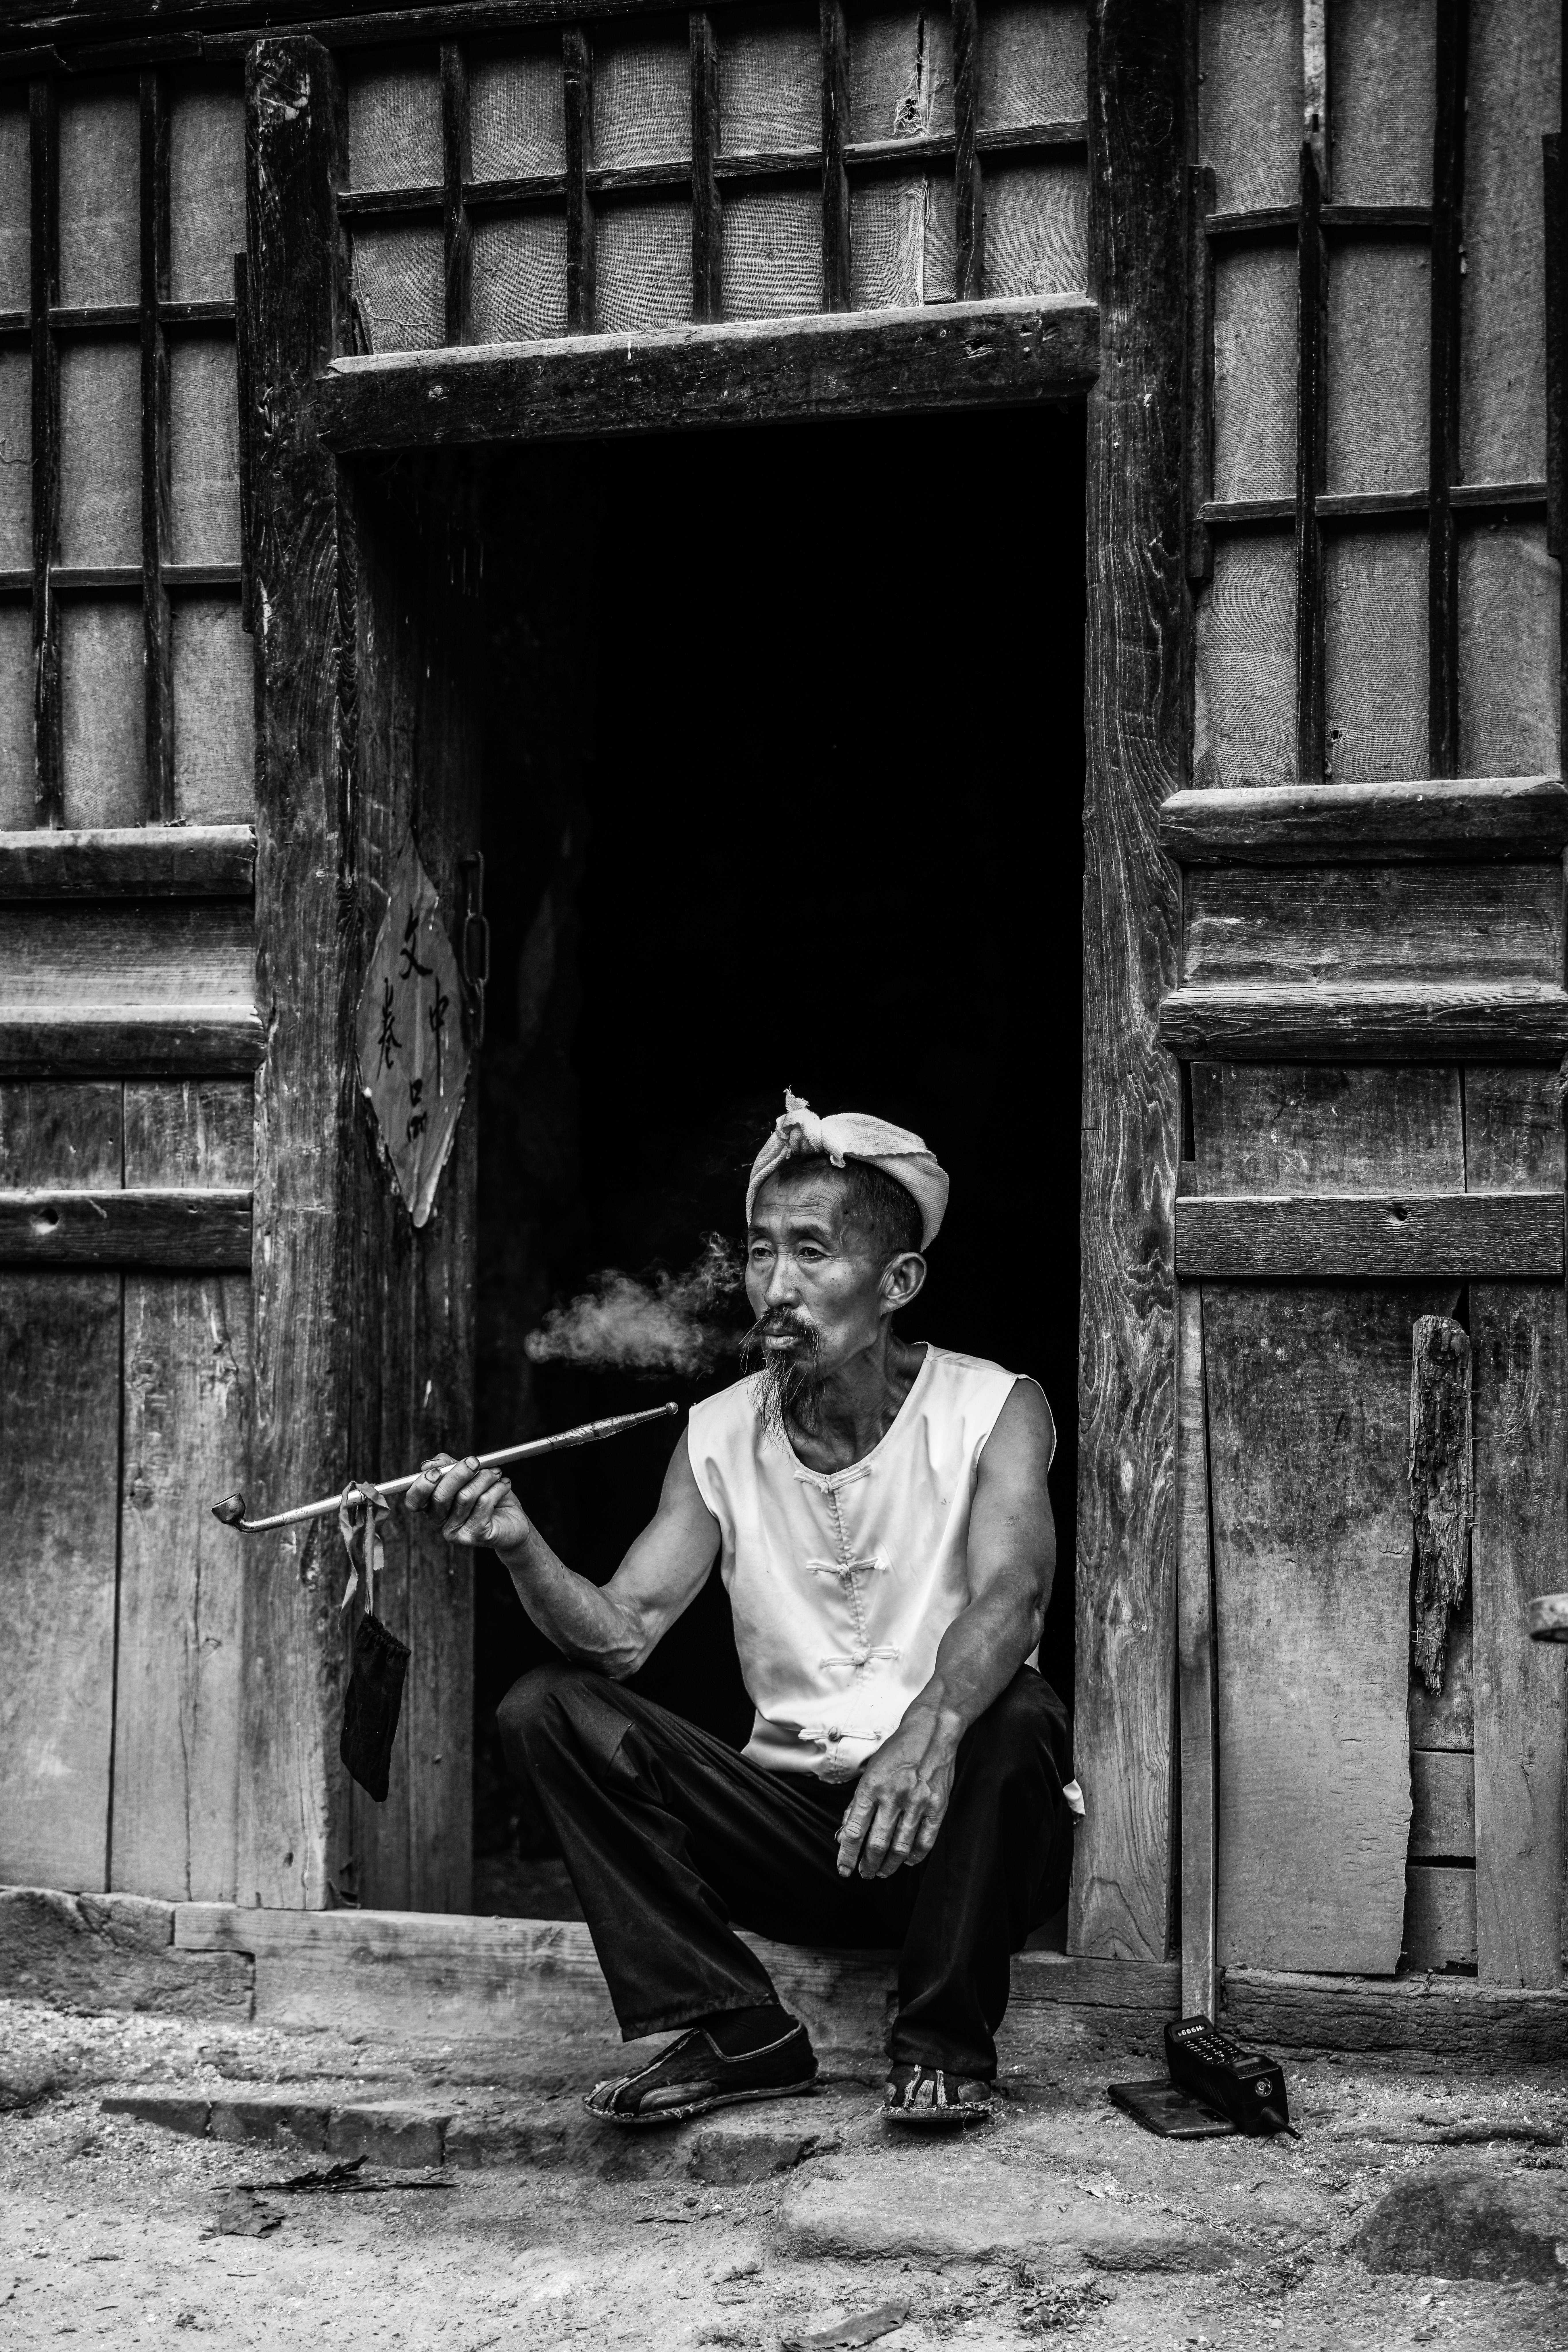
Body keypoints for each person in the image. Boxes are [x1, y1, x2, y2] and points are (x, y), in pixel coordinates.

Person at [408, 1091, 1080, 2129]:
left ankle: (942, 2041)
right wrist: (518, 1543)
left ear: (898, 1282)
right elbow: (621, 1638)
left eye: (812, 1253)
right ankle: (736, 2025)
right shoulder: (719, 1433)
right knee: (549, 1708)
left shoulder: (994, 1407)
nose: (777, 1285)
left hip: (963, 1831)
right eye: (762, 1253)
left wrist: (928, 1732)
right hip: (798, 1840)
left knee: (1021, 1714)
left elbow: (1016, 1597)